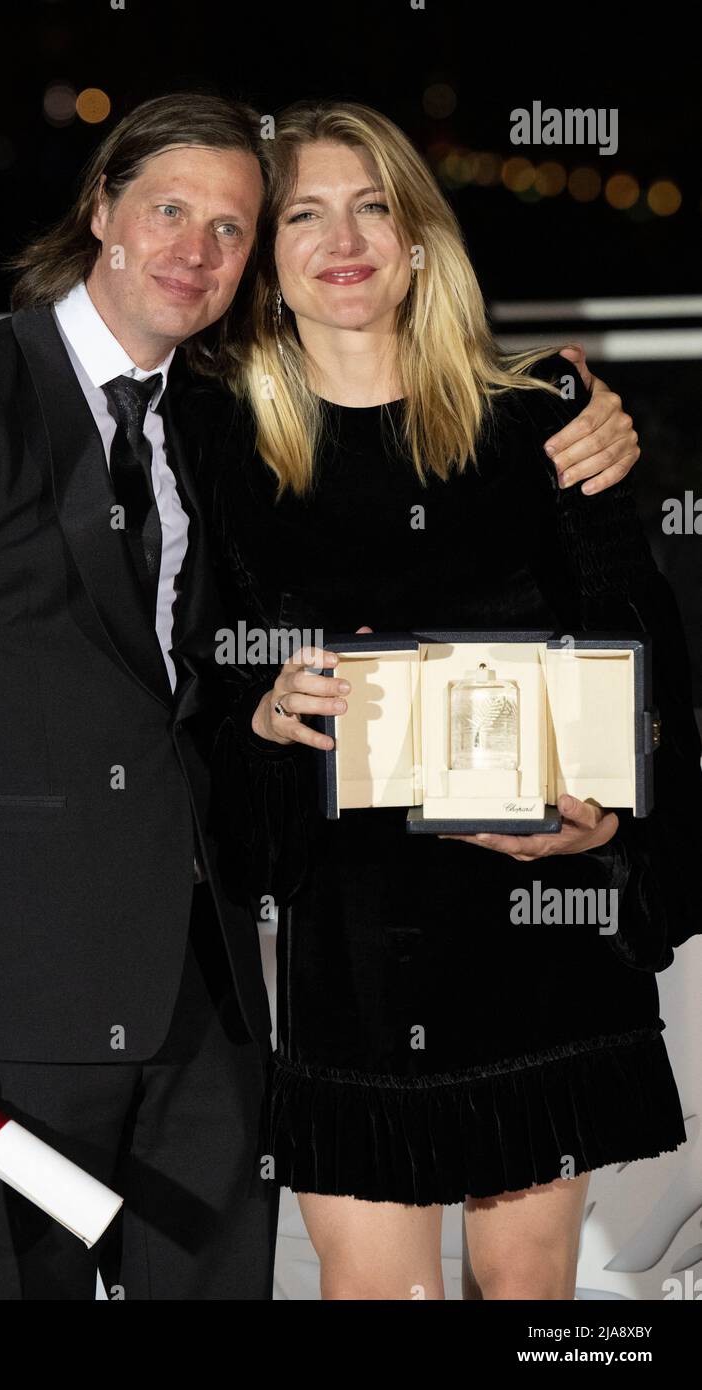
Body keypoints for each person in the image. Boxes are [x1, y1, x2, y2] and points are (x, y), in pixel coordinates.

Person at [0, 89, 642, 1302]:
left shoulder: (203, 423)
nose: (193, 250)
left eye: (228, 228)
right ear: (100, 209)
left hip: (213, 1001)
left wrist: (579, 401)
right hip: (21, 1001)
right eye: (168, 210)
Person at [182, 99, 702, 1301]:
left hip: (537, 944)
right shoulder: (213, 448)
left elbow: (644, 655)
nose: (343, 237)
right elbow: (195, 691)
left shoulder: (543, 420)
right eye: (303, 212)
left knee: (529, 1305)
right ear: (265, 258)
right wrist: (264, 721)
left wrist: (613, 828)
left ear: (419, 238)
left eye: (373, 205)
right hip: (350, 961)